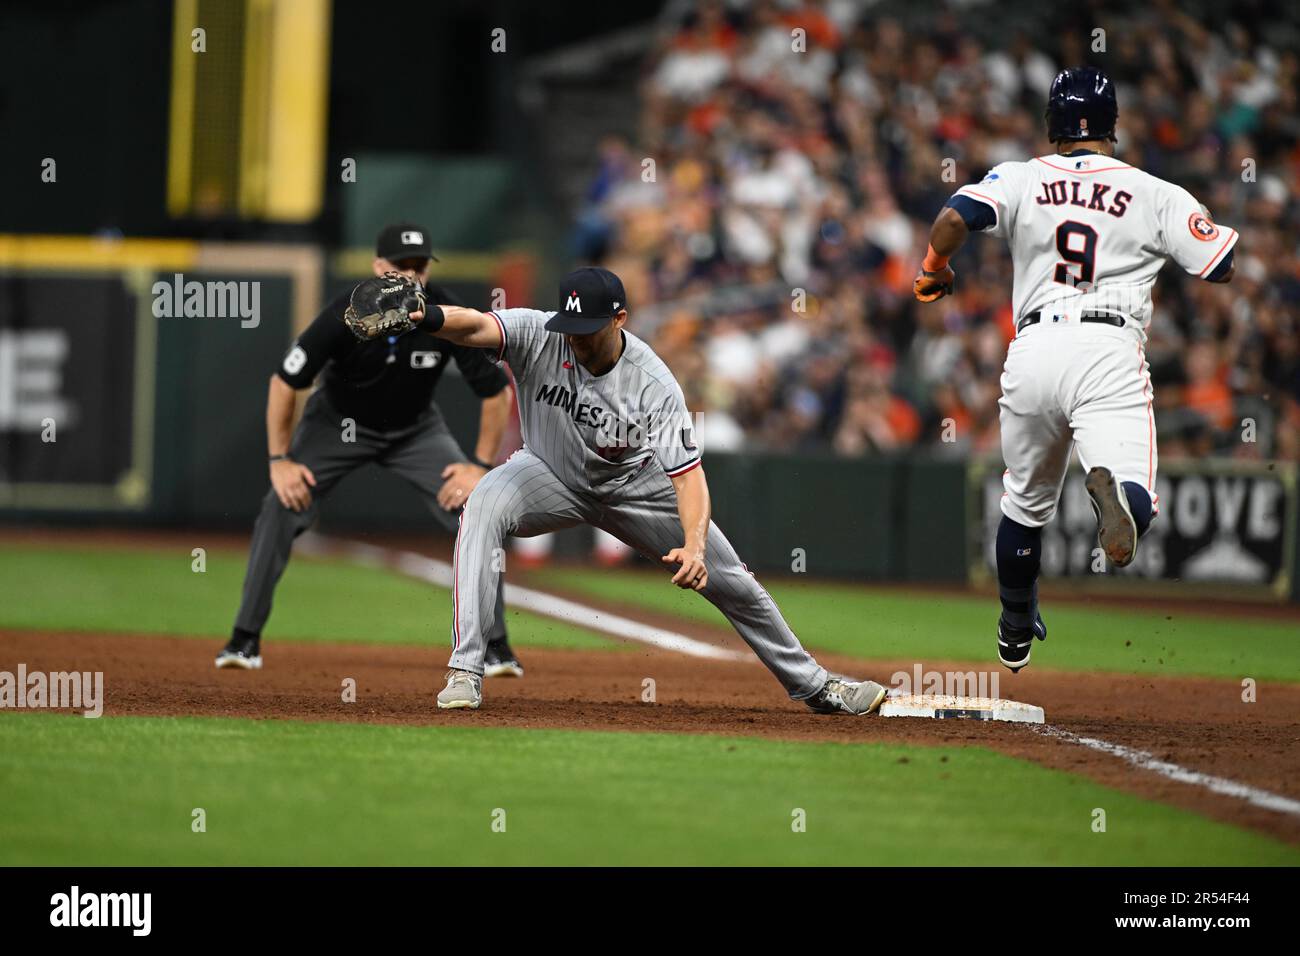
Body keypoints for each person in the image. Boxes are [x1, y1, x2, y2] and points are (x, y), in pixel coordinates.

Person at [411, 265, 886, 714]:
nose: (575, 337)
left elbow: (688, 476)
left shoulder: (652, 381)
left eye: (589, 326)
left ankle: (816, 685)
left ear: (620, 318)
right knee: (483, 507)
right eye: (570, 325)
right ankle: (465, 669)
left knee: (733, 581)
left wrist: (694, 547)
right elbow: (472, 326)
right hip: (547, 471)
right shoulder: (540, 333)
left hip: (633, 486)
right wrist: (425, 315)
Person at [913, 67, 1238, 671]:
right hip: (1108, 350)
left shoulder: (1019, 176)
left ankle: (1013, 625)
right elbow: (1220, 263)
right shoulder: (1152, 191)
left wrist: (934, 269)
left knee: (1023, 506)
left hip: (1033, 348)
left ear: (1051, 125)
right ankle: (1117, 501)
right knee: (1135, 488)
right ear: (1113, 125)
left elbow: (953, 220)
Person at [216, 223, 524, 678]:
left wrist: (478, 466)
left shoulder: (443, 313)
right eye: (401, 266)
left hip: (415, 430)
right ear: (379, 267)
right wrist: (280, 461)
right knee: (281, 506)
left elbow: (497, 391)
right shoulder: (346, 312)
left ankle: (496, 646)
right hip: (338, 425)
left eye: (420, 266)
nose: (412, 275)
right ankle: (244, 640)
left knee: (477, 508)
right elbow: (285, 381)